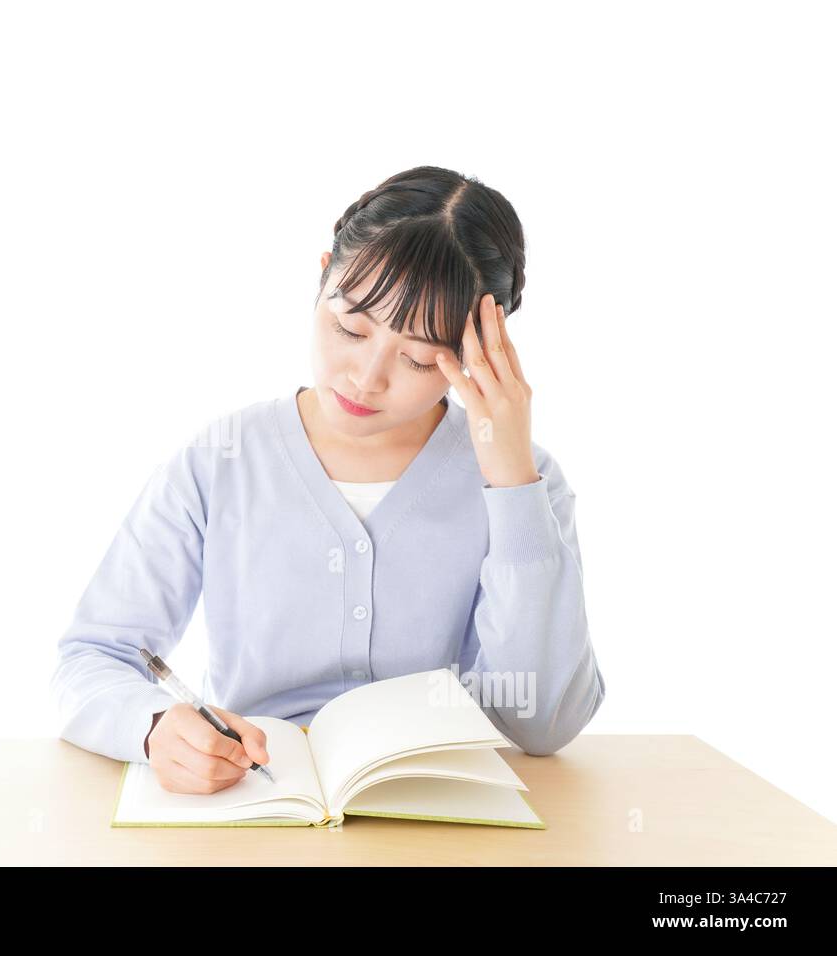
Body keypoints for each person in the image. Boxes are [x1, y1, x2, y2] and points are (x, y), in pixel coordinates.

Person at [49, 165, 606, 795]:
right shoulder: (218, 461)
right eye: (350, 327)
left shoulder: (526, 485)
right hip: (252, 805)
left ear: (483, 344)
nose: (366, 378)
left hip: (439, 819)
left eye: (421, 357)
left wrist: (511, 485)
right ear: (323, 277)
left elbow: (541, 725)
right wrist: (151, 727)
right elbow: (90, 658)